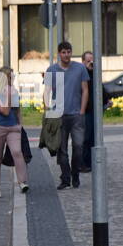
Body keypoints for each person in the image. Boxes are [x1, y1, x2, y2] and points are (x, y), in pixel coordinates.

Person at [42, 41, 90, 189]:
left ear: (71, 52)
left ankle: (75, 174)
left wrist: (82, 111)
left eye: (68, 51)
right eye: (63, 52)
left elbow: (85, 90)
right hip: (58, 116)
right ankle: (65, 178)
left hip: (76, 116)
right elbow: (47, 91)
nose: (66, 55)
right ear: (59, 54)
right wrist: (48, 111)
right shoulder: (51, 70)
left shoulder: (80, 68)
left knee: (78, 148)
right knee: (61, 150)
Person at [0, 67, 28, 198]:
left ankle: (22, 182)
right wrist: (9, 95)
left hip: (13, 127)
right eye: (11, 77)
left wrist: (19, 125)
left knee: (17, 152)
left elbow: (17, 110)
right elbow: (5, 111)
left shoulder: (14, 92)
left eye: (13, 77)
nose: (13, 79)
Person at [80, 51, 96, 172]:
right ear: (83, 61)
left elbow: (99, 87)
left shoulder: (94, 73)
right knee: (85, 138)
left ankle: (90, 162)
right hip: (85, 110)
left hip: (93, 110)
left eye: (92, 60)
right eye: (88, 60)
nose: (91, 63)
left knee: (92, 138)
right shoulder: (82, 73)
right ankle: (83, 163)